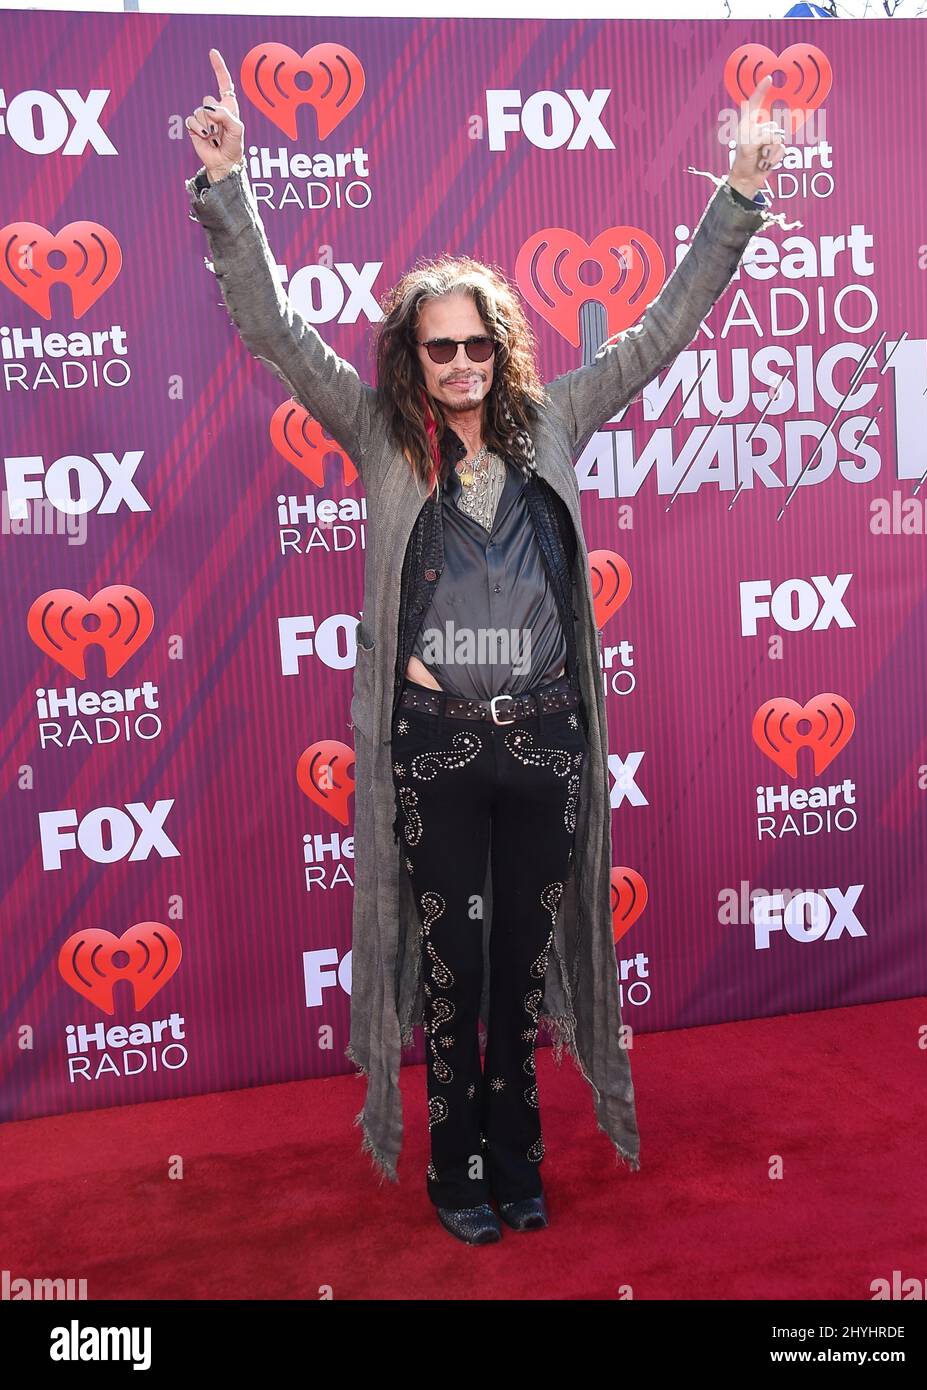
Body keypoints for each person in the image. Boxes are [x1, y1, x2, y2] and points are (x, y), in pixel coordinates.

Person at [185, 48, 787, 1245]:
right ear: (410, 356)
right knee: (452, 963)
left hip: (549, 742)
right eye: (435, 347)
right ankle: (454, 1160)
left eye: (473, 344)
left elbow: (664, 329)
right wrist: (228, 189)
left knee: (518, 966)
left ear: (500, 346)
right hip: (435, 750)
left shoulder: (555, 416)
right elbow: (271, 327)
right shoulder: (373, 431)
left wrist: (737, 198)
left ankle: (519, 1154)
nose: (457, 364)